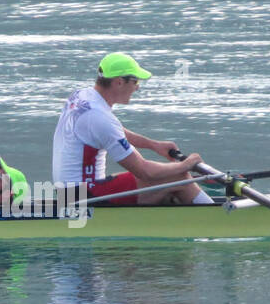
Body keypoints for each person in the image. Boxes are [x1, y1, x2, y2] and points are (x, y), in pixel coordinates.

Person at [52, 53, 210, 205]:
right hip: (84, 197)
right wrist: (187, 164)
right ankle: (215, 217)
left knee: (169, 178)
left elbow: (115, 131)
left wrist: (153, 145)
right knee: (179, 177)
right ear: (119, 82)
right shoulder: (100, 118)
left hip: (72, 191)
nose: (137, 88)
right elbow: (144, 171)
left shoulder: (82, 96)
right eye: (135, 82)